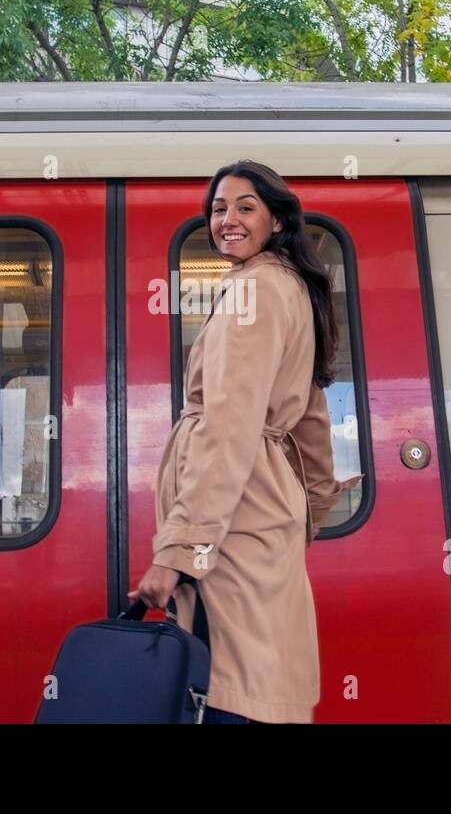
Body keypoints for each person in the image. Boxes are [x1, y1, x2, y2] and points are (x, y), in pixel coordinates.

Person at [127, 159, 362, 724]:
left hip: (230, 533)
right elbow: (310, 418)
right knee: (259, 687)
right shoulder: (290, 289)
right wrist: (310, 504)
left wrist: (179, 553)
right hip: (261, 522)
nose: (227, 219)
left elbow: (228, 428)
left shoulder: (253, 292)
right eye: (218, 209)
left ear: (278, 220)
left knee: (224, 688)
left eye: (245, 207)